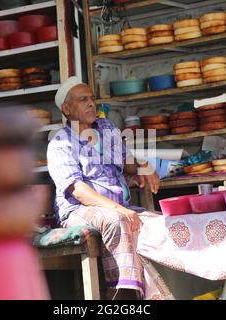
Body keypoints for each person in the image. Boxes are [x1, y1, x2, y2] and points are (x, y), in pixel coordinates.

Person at [47, 77, 160, 300]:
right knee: (115, 220)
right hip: (78, 210)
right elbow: (77, 190)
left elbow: (127, 163)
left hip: (117, 206)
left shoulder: (106, 129)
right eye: (83, 100)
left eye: (92, 98)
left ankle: (157, 294)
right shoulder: (60, 143)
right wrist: (119, 210)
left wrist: (144, 166)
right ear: (66, 109)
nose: (91, 103)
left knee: (159, 223)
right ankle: (121, 294)